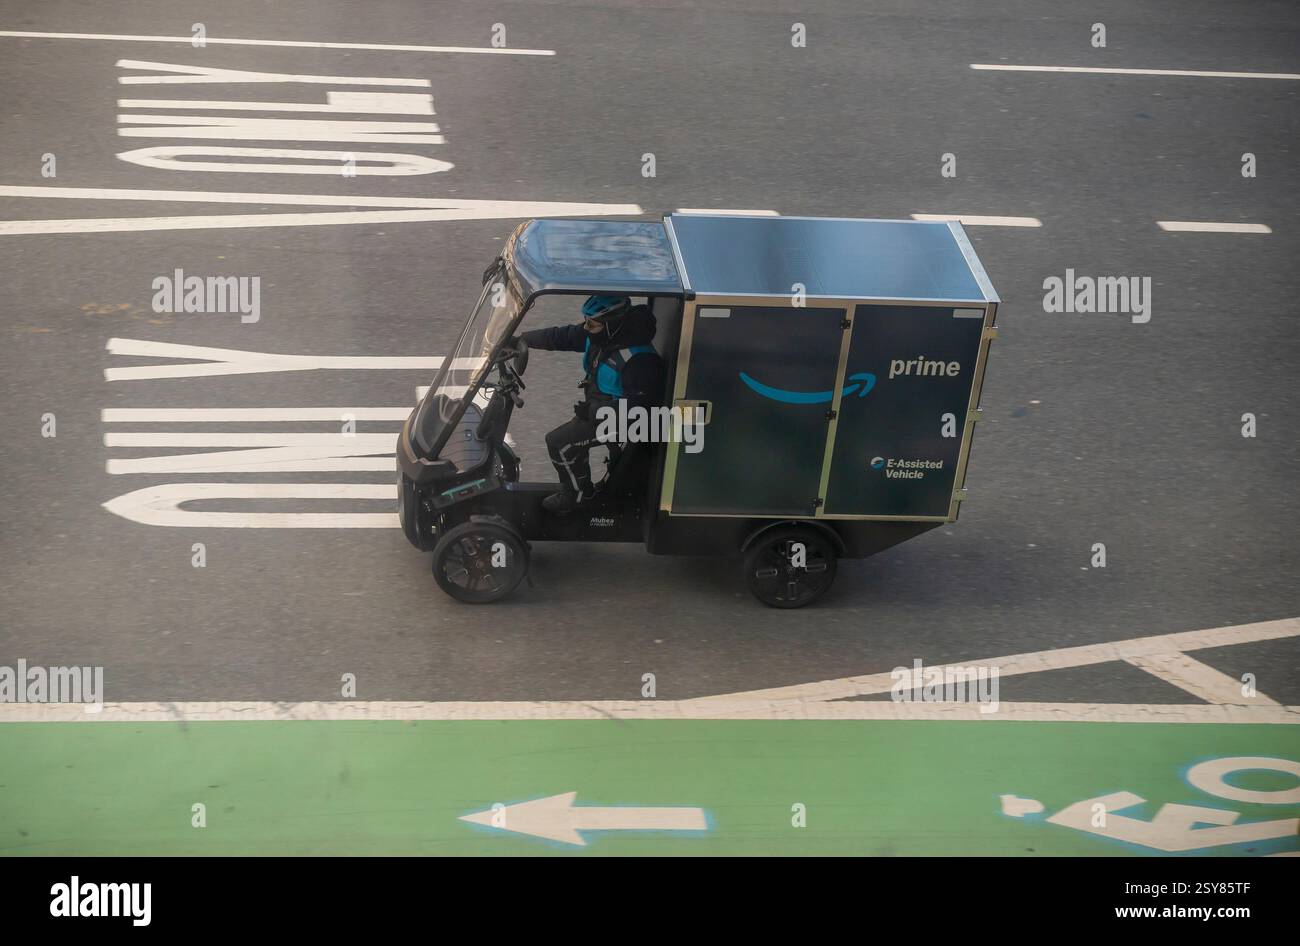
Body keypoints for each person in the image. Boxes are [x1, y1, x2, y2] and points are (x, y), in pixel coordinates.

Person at [520, 295, 664, 513]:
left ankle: (577, 499)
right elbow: (564, 336)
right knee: (575, 440)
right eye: (585, 321)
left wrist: (595, 411)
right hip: (603, 411)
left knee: (560, 443)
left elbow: (641, 408)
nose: (586, 328)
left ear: (612, 325)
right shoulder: (603, 335)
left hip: (626, 422)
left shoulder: (639, 360)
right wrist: (522, 340)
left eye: (591, 324)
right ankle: (586, 487)